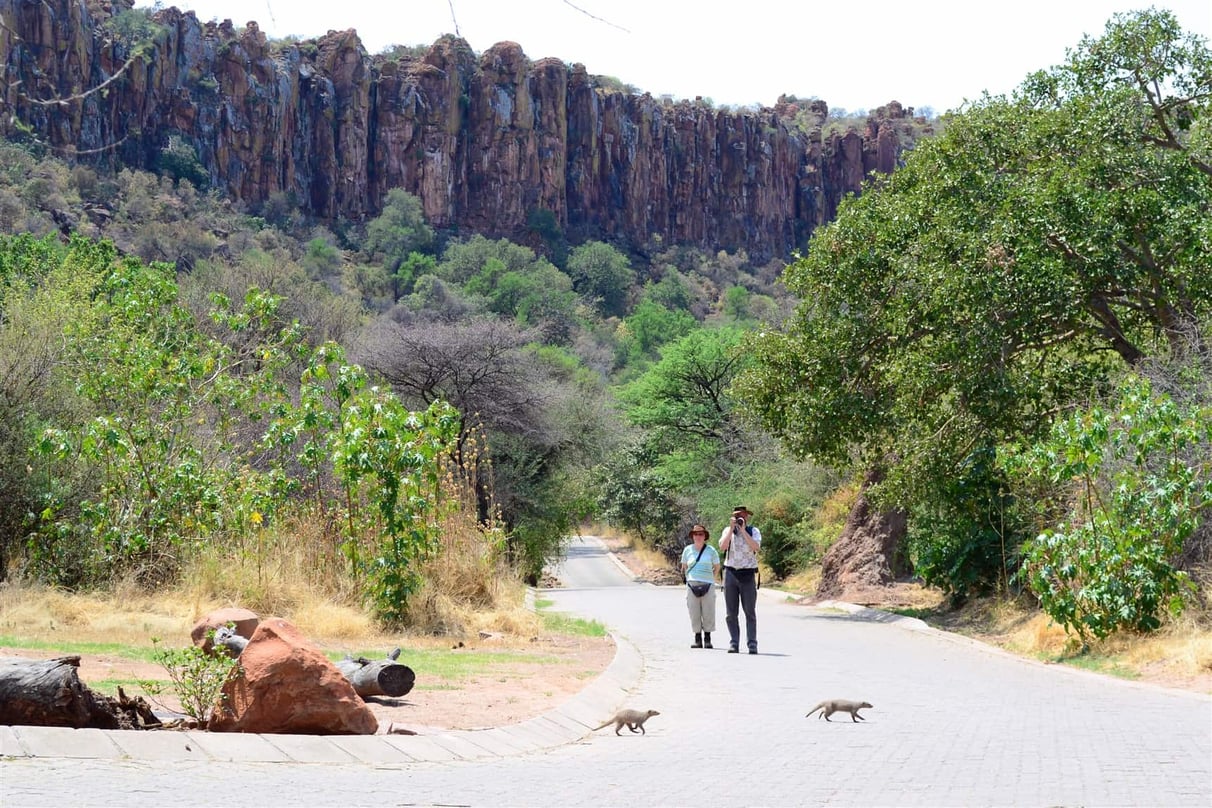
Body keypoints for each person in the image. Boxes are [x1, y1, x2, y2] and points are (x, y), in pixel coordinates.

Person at [719, 505, 761, 654]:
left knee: (750, 611)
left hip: (748, 574)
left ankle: (752, 644)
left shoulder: (753, 531)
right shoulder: (727, 531)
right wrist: (731, 529)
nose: (741, 518)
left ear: (747, 517)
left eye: (743, 516)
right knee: (731, 613)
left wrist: (743, 531)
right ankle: (734, 642)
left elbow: (756, 547)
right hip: (731, 573)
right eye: (738, 516)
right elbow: (723, 547)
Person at [680, 524, 721, 649]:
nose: (698, 537)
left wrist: (711, 578)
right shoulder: (687, 550)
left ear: (705, 536)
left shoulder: (711, 551)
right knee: (694, 612)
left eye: (701, 534)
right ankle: (697, 639)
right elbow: (684, 566)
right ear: (692, 536)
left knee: (708, 611)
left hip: (707, 584)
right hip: (692, 583)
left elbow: (717, 566)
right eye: (696, 534)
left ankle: (707, 639)